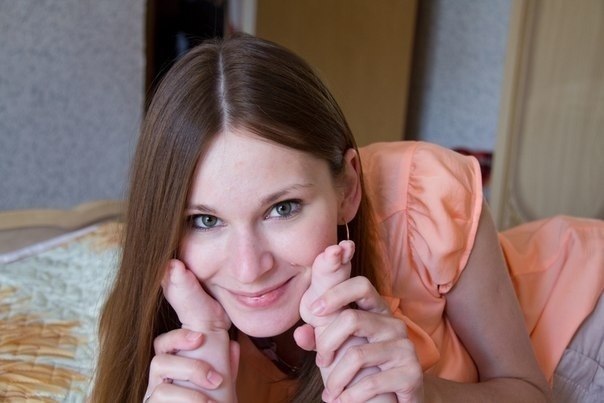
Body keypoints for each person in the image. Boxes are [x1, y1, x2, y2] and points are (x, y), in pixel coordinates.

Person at [91, 34, 603, 402]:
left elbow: (526, 389)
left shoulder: (424, 196)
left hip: (582, 316)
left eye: (282, 208)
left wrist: (421, 392)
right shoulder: (152, 327)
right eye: (205, 221)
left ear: (348, 188)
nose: (249, 269)